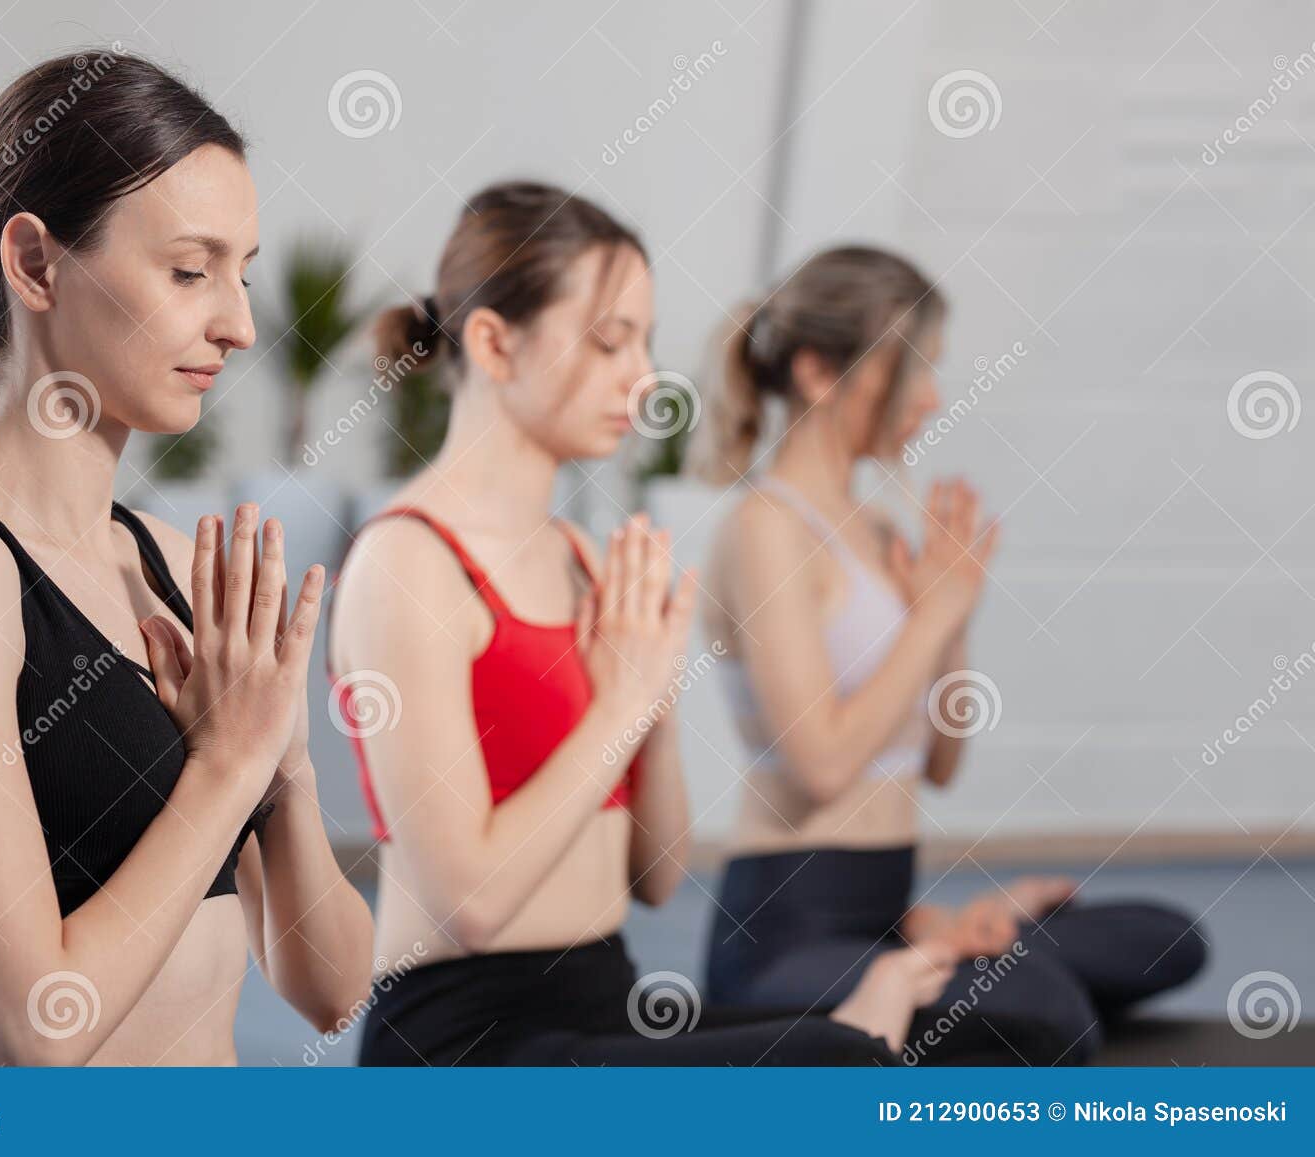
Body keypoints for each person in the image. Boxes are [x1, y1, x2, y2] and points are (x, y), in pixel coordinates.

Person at [327, 184, 954, 1067]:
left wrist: (652, 701)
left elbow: (657, 877)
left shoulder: (586, 559)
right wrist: (621, 699)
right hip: (469, 1041)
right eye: (609, 341)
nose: (642, 377)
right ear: (495, 343)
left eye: (645, 342)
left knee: (990, 1035)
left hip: (603, 1000)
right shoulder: (408, 564)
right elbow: (470, 899)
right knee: (842, 1059)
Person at [0, 51, 372, 1065]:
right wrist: (226, 764)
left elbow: (334, 988)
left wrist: (287, 768)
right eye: (190, 270)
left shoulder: (171, 565)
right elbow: (29, 1030)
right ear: (36, 263)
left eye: (242, 272)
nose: (240, 322)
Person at [692, 245, 1207, 1065]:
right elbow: (821, 765)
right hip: (785, 940)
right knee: (1046, 1013)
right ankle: (961, 958)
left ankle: (949, 942)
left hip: (884, 911)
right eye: (909, 372)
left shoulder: (881, 528)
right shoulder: (766, 528)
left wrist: (955, 613)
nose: (929, 400)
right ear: (821, 371)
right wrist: (931, 618)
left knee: (1168, 938)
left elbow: (939, 758)